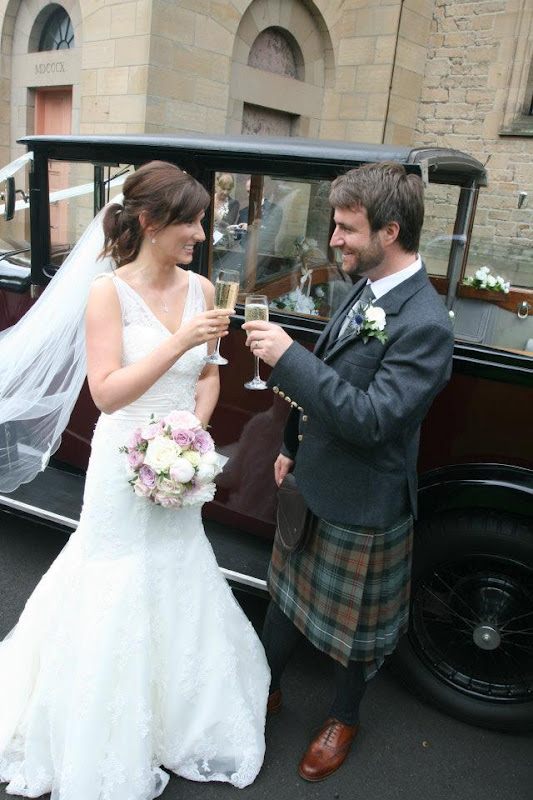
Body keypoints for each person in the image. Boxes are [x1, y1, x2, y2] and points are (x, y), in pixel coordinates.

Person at [0, 161, 270, 799]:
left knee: (177, 570)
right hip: (122, 462)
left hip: (176, 461)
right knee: (111, 577)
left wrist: (191, 436)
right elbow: (108, 392)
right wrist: (177, 344)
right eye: (193, 220)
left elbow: (211, 374)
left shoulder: (204, 289)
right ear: (150, 223)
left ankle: (179, 715)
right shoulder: (107, 293)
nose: (203, 233)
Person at [243, 161, 454, 782]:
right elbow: (331, 368)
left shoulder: (426, 325)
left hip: (365, 503)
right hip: (313, 476)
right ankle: (266, 685)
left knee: (352, 633)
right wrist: (291, 444)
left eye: (346, 228)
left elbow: (369, 419)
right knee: (283, 601)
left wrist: (285, 358)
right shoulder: (367, 287)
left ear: (390, 231)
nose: (333, 239)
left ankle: (344, 715)